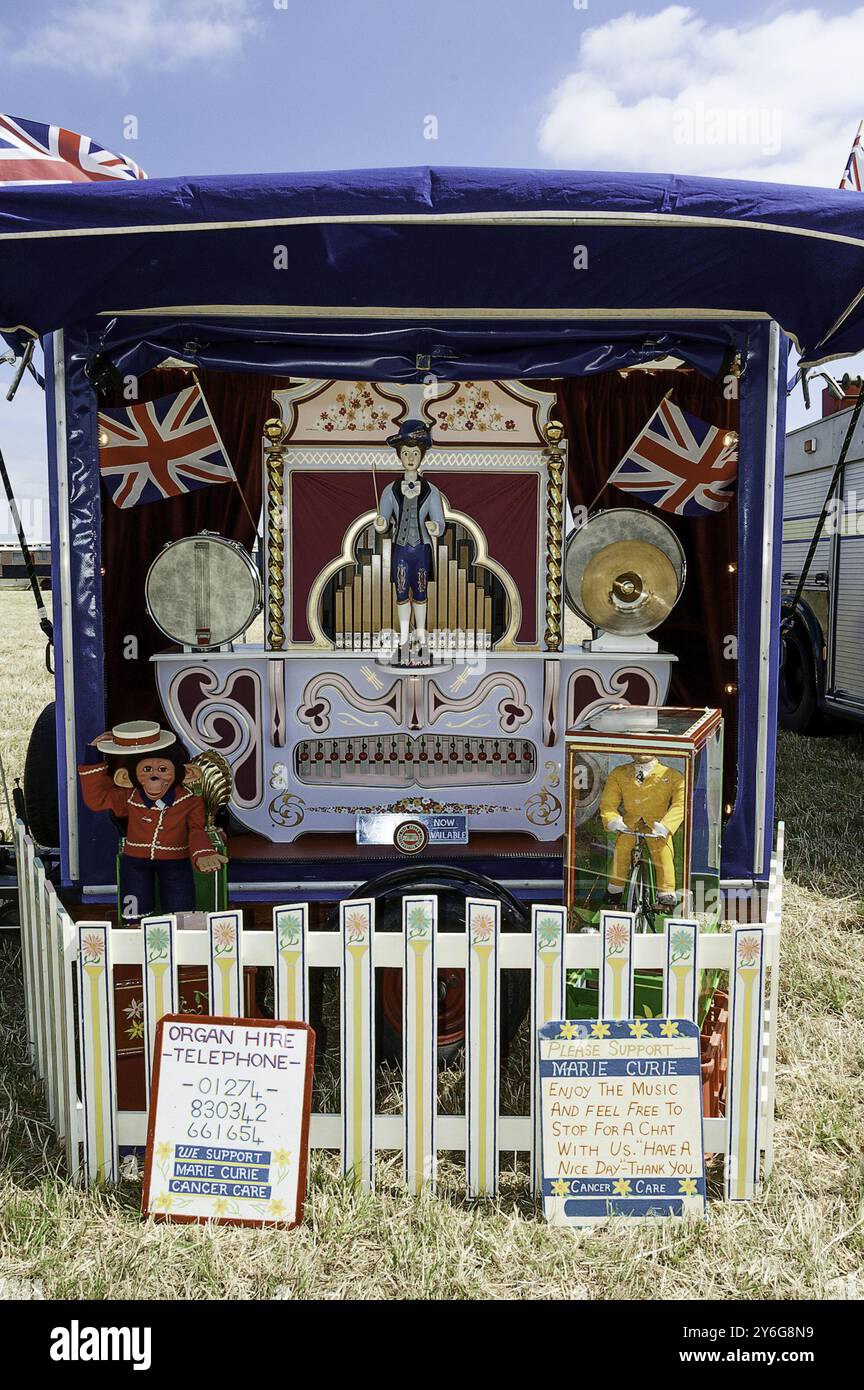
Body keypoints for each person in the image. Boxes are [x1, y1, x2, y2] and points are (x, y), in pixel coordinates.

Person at [78, 720, 226, 921]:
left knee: (181, 910)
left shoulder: (190, 801)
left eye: (163, 769)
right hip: (135, 863)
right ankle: (134, 933)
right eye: (146, 770)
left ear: (186, 774)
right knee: (134, 908)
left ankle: (182, 938)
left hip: (176, 863)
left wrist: (203, 853)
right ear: (127, 777)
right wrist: (93, 754)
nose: (154, 777)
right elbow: (96, 800)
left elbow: (196, 830)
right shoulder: (129, 796)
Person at [374, 419, 446, 662]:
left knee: (422, 592)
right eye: (406, 453)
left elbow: (440, 523)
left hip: (422, 550)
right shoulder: (389, 490)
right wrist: (381, 523)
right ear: (399, 455)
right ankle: (405, 639)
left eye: (415, 452)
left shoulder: (432, 490)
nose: (411, 457)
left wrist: (435, 526)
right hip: (400, 550)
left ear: (422, 455)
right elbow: (382, 518)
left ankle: (422, 639)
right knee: (402, 593)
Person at [599, 753, 685, 912]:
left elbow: (681, 804)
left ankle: (666, 897)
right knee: (622, 850)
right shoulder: (620, 773)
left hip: (657, 824)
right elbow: (608, 802)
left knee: (663, 852)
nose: (642, 752)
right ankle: (614, 895)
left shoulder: (672, 776)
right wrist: (613, 820)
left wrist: (666, 825)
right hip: (630, 823)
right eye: (637, 748)